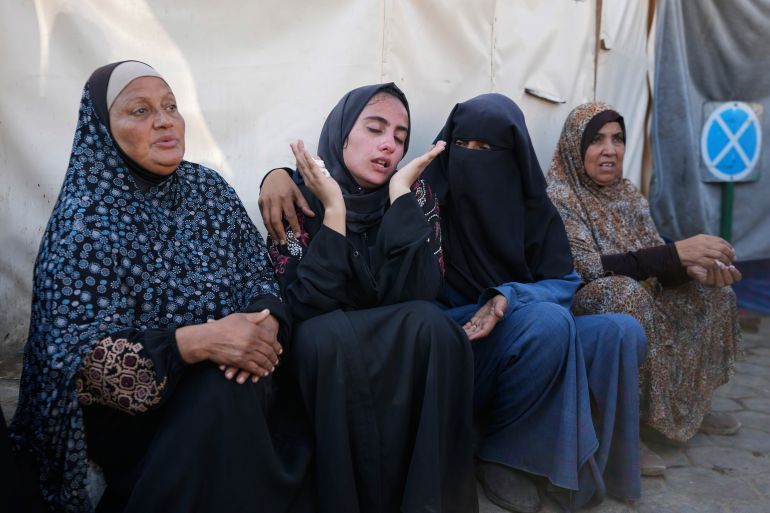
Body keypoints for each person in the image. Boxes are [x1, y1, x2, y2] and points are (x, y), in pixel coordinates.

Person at [261, 93, 646, 513]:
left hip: (500, 322)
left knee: (616, 329)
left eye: (491, 150)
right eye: (465, 147)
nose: (388, 144)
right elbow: (323, 299)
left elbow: (564, 278)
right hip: (449, 330)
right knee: (534, 324)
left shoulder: (518, 205)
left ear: (515, 153)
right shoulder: (428, 191)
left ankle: (595, 461)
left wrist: (507, 296)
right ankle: (502, 453)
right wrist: (278, 175)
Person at [10, 61, 310, 513]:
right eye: (140, 110)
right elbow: (75, 361)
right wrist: (200, 342)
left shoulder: (207, 189)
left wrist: (263, 324)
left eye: (171, 106)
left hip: (235, 383)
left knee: (237, 387)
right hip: (138, 419)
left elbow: (256, 272)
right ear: (103, 130)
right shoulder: (86, 222)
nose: (165, 120)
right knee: (222, 393)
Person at [265, 83, 477, 513]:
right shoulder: (297, 197)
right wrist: (335, 211)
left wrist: (399, 197)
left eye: (400, 138)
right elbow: (303, 305)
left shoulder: (416, 196)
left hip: (390, 329)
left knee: (436, 328)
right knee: (324, 338)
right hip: (325, 341)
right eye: (375, 129)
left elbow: (419, 292)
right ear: (342, 132)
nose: (389, 145)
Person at [546, 102, 742, 470]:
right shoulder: (559, 195)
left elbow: (652, 262)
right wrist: (675, 254)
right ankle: (624, 430)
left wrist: (688, 270)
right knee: (625, 293)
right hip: (585, 308)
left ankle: (691, 404)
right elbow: (583, 268)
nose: (610, 149)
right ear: (575, 145)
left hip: (638, 293)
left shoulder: (628, 194)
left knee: (714, 293)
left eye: (618, 139)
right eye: (597, 140)